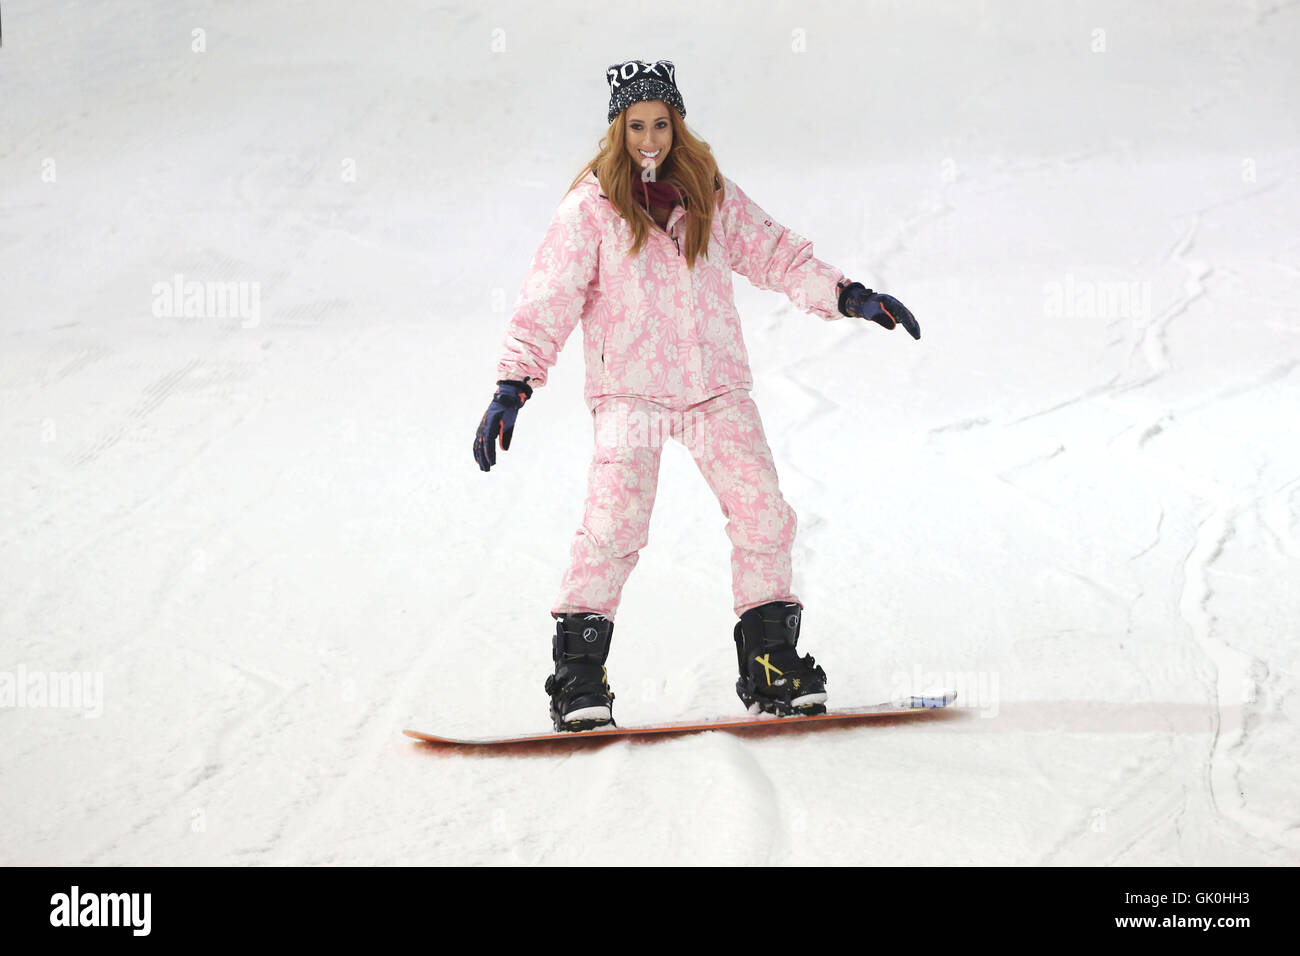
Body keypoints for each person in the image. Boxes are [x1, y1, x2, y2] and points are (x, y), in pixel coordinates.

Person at [473, 58, 920, 732]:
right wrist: (513, 384)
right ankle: (579, 677)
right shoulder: (589, 211)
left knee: (763, 513)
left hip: (715, 388)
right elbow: (547, 301)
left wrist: (848, 296)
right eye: (635, 126)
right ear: (616, 132)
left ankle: (770, 661)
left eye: (660, 123)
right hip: (632, 393)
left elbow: (777, 256)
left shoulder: (708, 192)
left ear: (677, 127)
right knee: (614, 527)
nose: (648, 138)